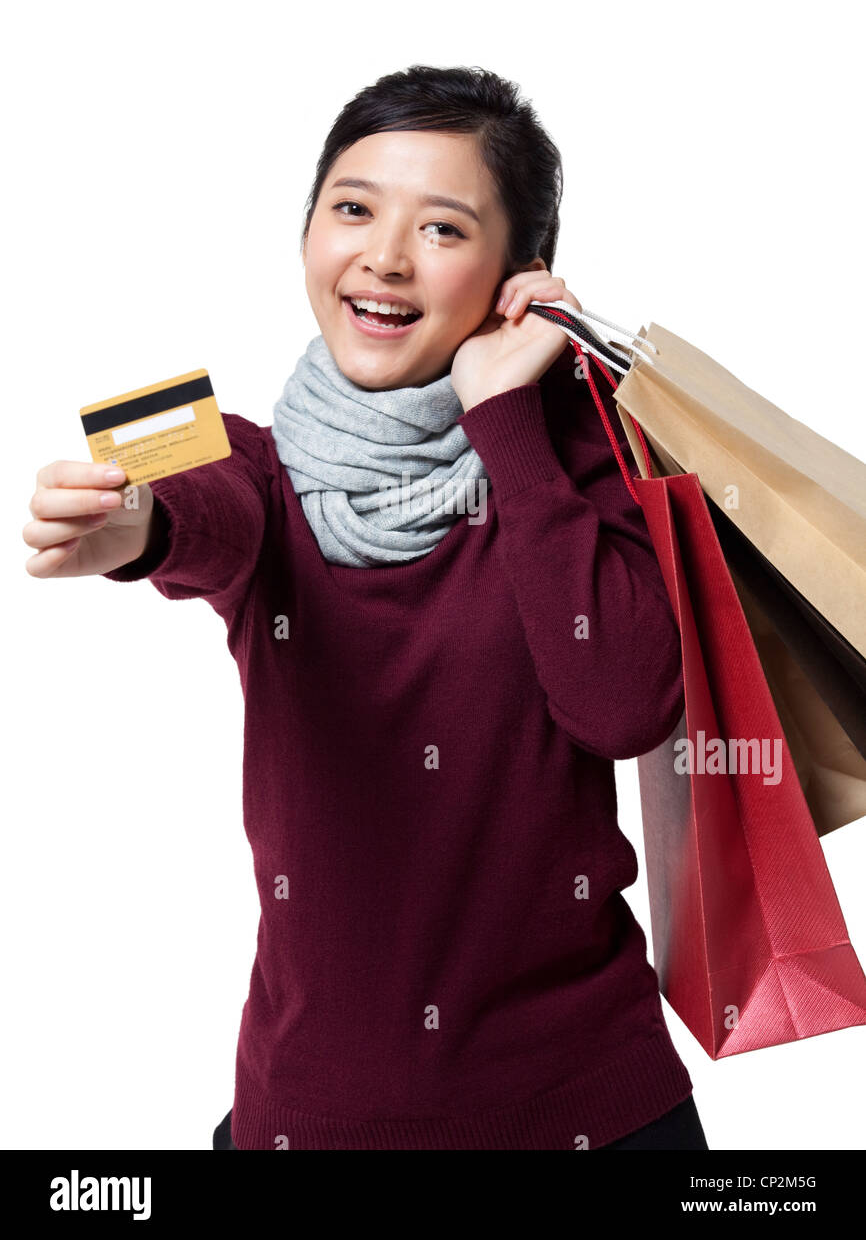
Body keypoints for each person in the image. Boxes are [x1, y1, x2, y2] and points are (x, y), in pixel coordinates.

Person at [24, 64, 708, 1151]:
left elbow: (624, 706)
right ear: (307, 231)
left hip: (593, 1108)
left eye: (441, 228)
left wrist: (511, 423)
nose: (382, 257)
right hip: (316, 1116)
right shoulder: (251, 456)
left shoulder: (580, 460)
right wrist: (133, 525)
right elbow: (194, 507)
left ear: (517, 279)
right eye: (352, 208)